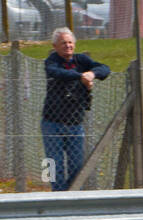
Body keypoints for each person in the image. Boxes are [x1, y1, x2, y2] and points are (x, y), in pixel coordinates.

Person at [42, 28, 111, 192]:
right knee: (52, 162)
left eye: (70, 42)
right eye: (63, 43)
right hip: (51, 123)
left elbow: (105, 69)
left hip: (75, 123)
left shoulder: (82, 60)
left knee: (77, 163)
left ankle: (74, 194)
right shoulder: (51, 61)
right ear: (55, 46)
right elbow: (57, 73)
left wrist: (92, 74)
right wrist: (81, 77)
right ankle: (56, 194)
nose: (67, 46)